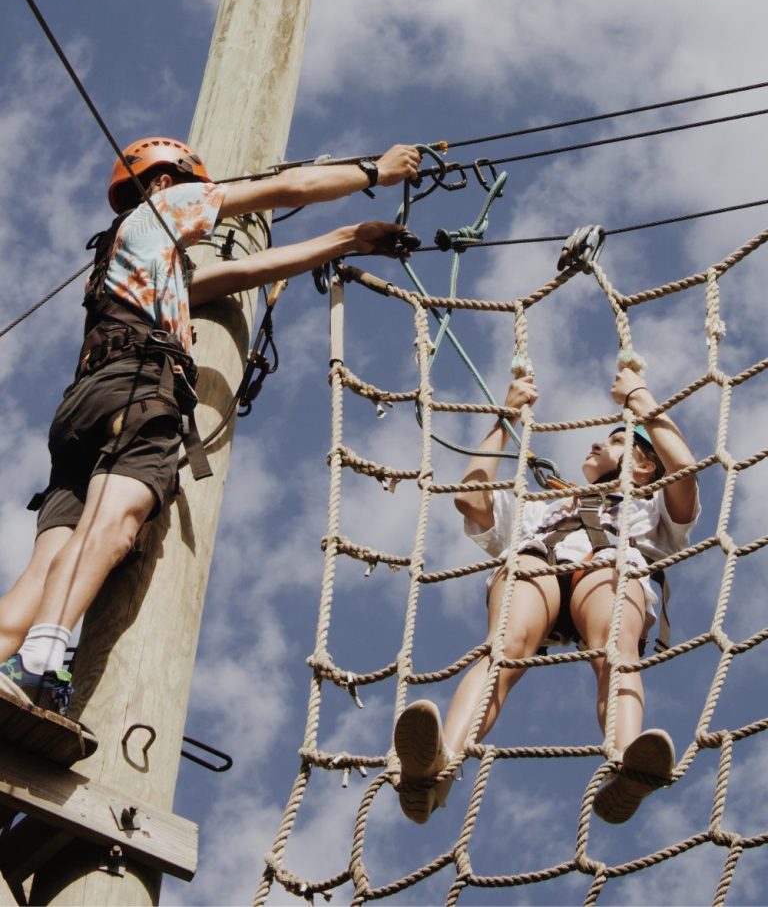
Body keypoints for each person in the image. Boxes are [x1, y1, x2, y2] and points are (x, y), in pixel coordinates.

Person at [0, 136, 421, 717]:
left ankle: (10, 659)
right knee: (115, 523)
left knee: (51, 557)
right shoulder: (163, 207)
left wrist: (348, 239)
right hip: (136, 388)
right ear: (169, 183)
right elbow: (282, 189)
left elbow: (247, 270)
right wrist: (375, 170)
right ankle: (41, 663)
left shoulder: (138, 261)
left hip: (84, 405)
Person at [393, 366, 699, 825]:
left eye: (617, 442)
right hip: (538, 561)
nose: (597, 443)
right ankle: (438, 768)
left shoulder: (650, 503)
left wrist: (640, 397)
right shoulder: (542, 505)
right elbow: (471, 498)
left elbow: (685, 473)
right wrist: (506, 417)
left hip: (610, 565)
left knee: (614, 653)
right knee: (503, 651)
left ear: (642, 464)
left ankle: (626, 762)